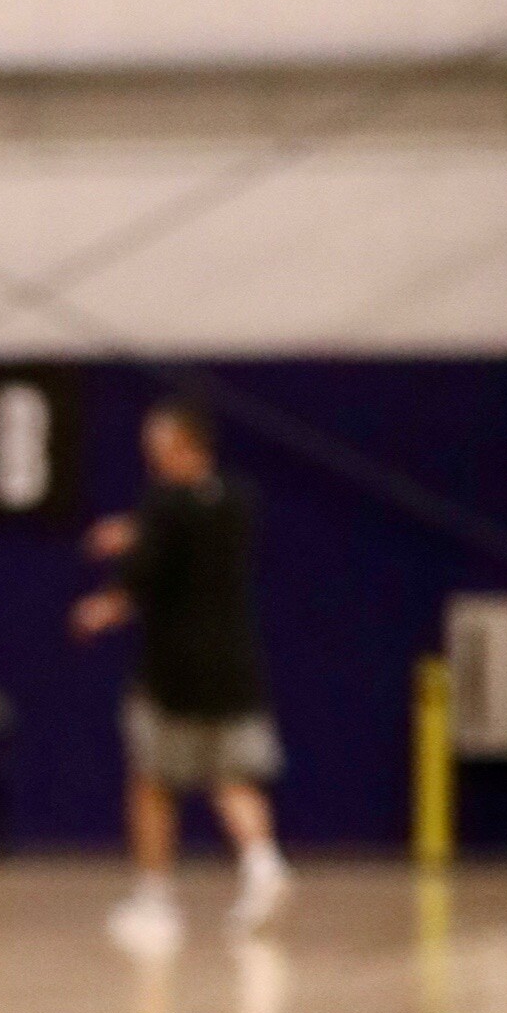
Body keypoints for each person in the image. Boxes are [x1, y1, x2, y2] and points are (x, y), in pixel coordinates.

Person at [72, 393, 290, 953]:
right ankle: (264, 865)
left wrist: (103, 608)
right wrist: (137, 529)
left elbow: (145, 575)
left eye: (159, 446)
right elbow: (188, 536)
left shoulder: (164, 506)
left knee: (153, 781)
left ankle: (155, 899)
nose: (152, 457)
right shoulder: (237, 499)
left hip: (174, 669)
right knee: (231, 775)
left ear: (183, 445)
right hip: (236, 662)